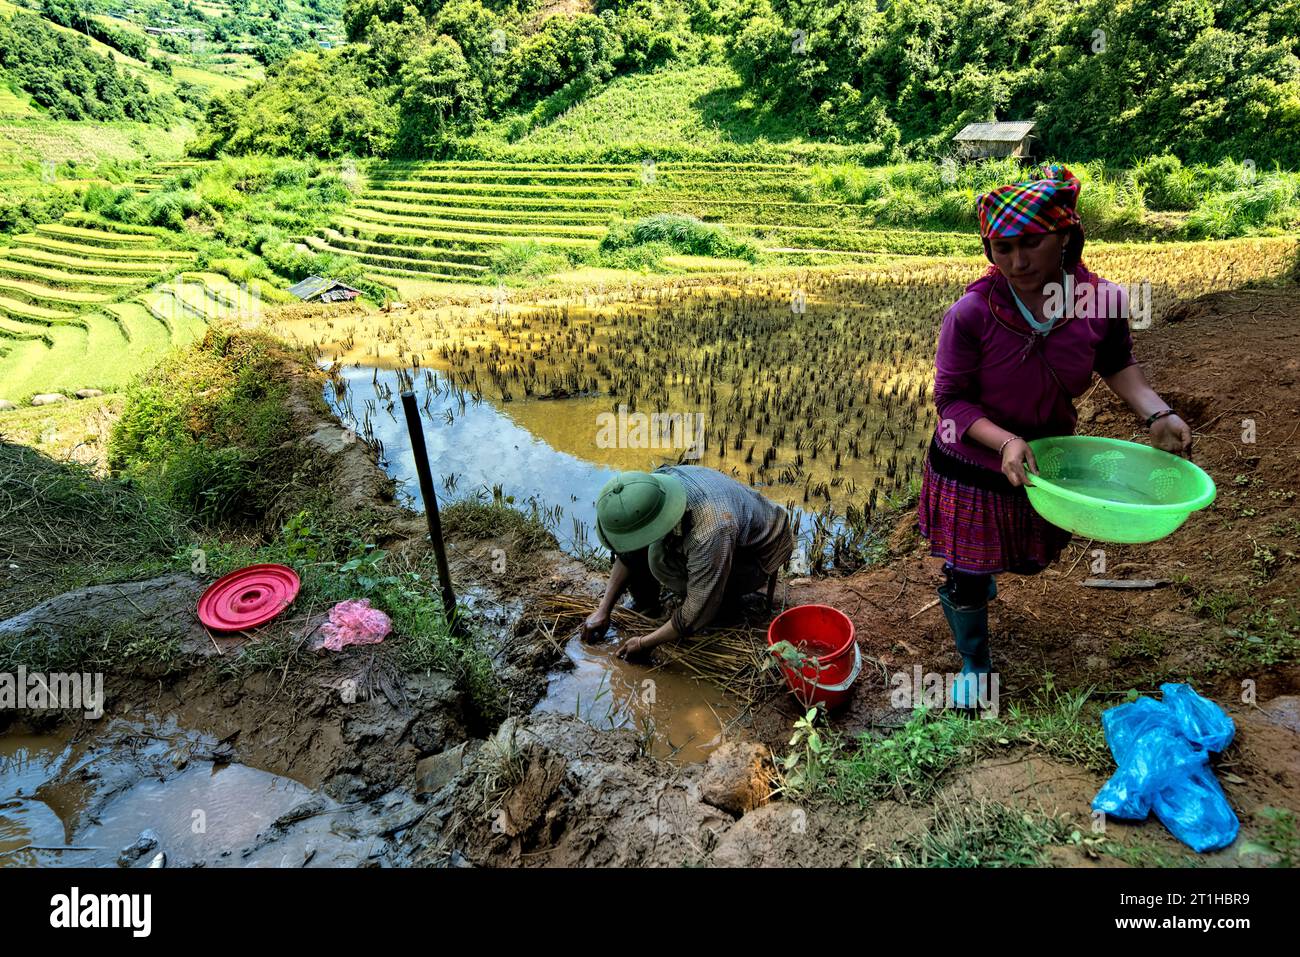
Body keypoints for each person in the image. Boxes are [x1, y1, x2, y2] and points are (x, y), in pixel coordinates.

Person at [918, 163, 1193, 711]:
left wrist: (1155, 412)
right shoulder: (972, 313)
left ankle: (978, 581)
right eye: (1001, 248)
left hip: (1047, 457)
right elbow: (950, 400)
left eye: (1032, 244)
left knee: (1017, 552)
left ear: (1065, 237)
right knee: (969, 566)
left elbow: (1118, 364)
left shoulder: (1102, 303)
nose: (1017, 262)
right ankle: (975, 662)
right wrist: (1003, 442)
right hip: (974, 459)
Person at [580, 465, 794, 658]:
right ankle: (647, 602)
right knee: (651, 551)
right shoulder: (655, 487)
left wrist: (645, 643)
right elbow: (628, 554)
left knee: (661, 563)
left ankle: (725, 603)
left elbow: (696, 610)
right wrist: (603, 610)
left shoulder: (710, 531)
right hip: (732, 525)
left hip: (758, 554)